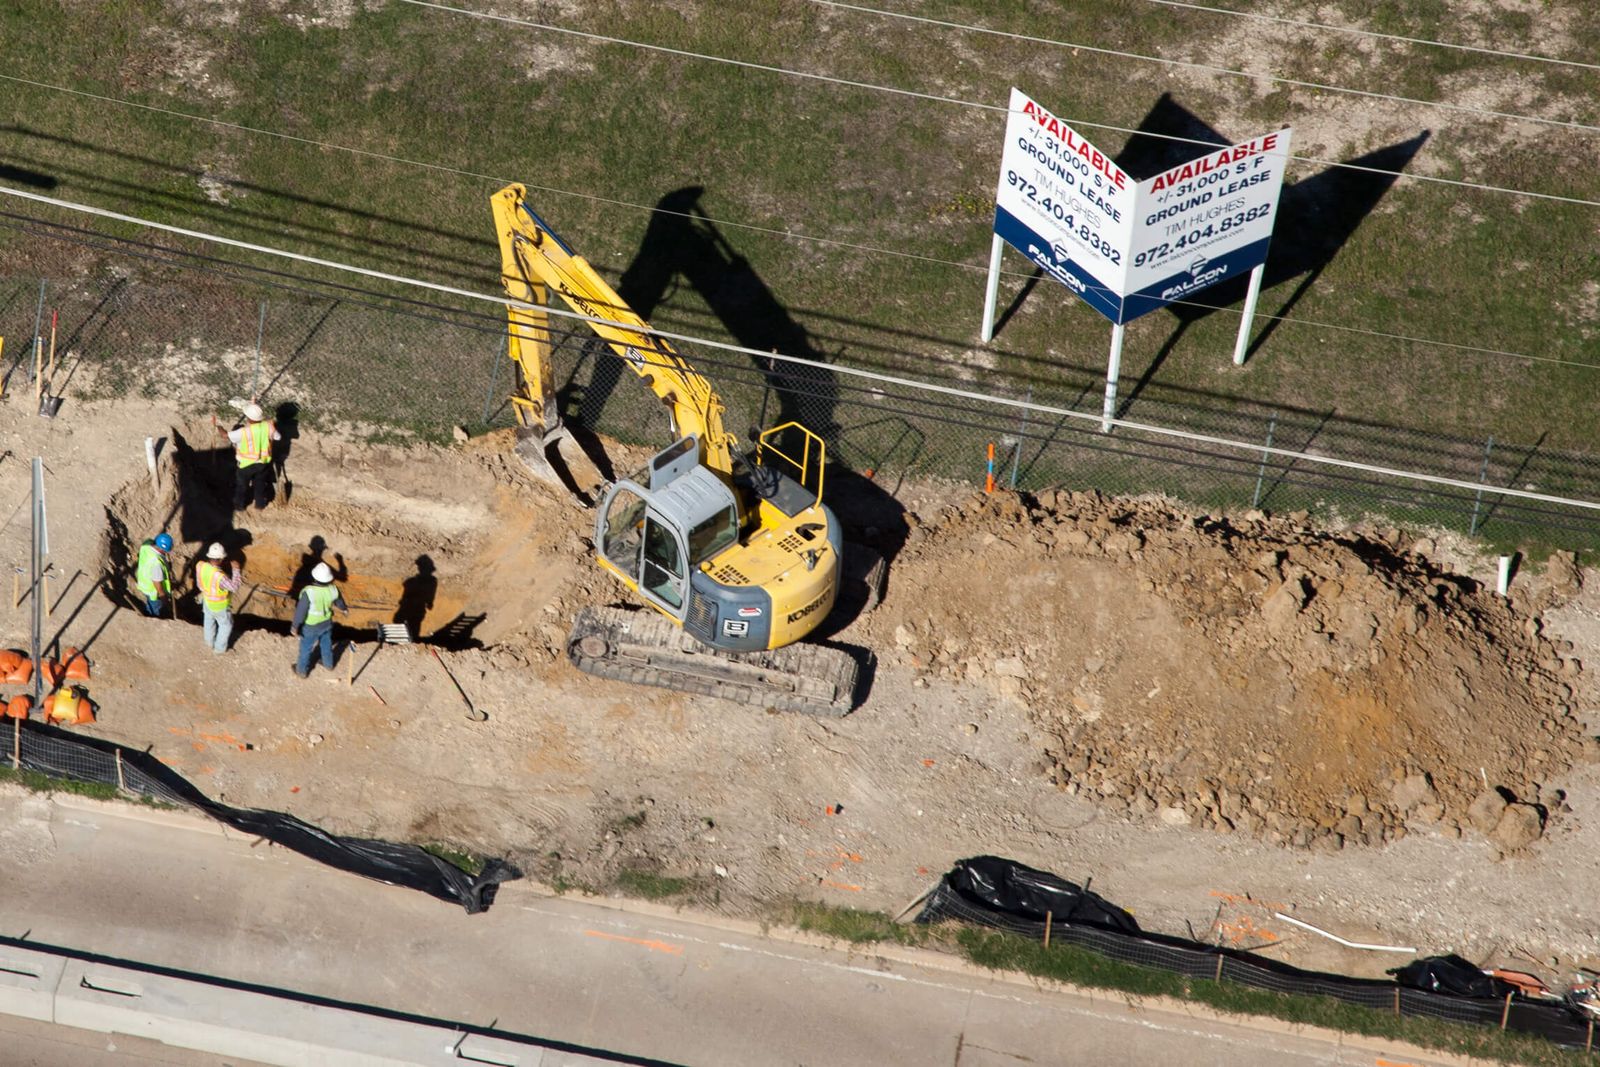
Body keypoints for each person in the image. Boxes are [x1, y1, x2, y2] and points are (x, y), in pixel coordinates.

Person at [214, 401, 282, 511]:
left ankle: (239, 506)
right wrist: (271, 426)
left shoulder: (244, 432)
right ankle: (260, 505)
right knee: (260, 483)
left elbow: (225, 435)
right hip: (263, 463)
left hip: (246, 464)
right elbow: (278, 437)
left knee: (242, 486)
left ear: (249, 418)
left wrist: (219, 427)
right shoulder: (268, 427)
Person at [292, 562, 348, 679]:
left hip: (311, 626)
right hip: (326, 623)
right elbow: (339, 602)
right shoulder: (333, 589)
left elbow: (300, 611)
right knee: (326, 644)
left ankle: (301, 671)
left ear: (314, 577)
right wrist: (344, 609)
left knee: (306, 648)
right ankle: (328, 664)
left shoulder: (309, 592)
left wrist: (295, 626)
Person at [195, 543, 242, 655]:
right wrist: (236, 570)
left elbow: (200, 584)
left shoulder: (200, 566)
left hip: (207, 601)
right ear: (221, 559)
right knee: (225, 626)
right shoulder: (220, 576)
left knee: (208, 621)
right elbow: (234, 587)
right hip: (219, 605)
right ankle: (219, 650)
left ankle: (208, 643)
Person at [134, 533, 174, 617]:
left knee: (149, 604)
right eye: (166, 550)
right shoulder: (157, 563)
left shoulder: (145, 546)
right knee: (155, 608)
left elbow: (149, 541)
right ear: (162, 549)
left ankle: (148, 612)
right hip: (153, 591)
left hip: (144, 582)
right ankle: (153, 618)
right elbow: (157, 582)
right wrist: (163, 596)